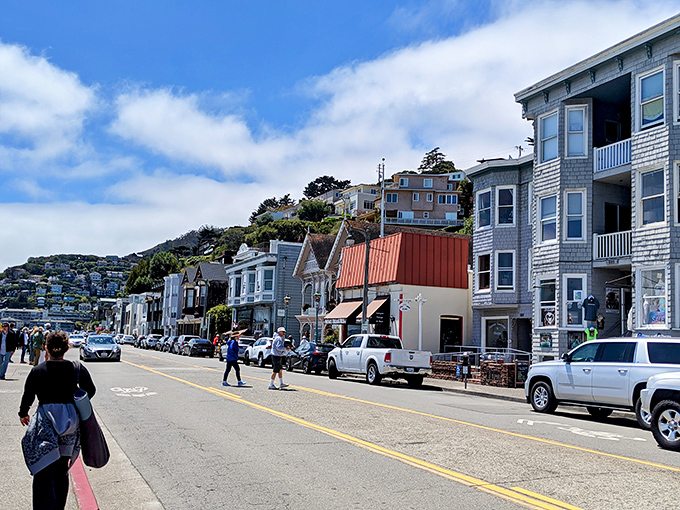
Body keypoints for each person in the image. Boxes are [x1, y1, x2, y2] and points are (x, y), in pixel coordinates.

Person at [19, 330, 96, 510]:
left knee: (43, 467)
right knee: (62, 469)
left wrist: (23, 413)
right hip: (69, 423)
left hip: (45, 422)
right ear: (67, 348)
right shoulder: (76, 368)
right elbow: (90, 390)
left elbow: (28, 395)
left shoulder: (37, 371)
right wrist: (75, 401)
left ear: (46, 348)